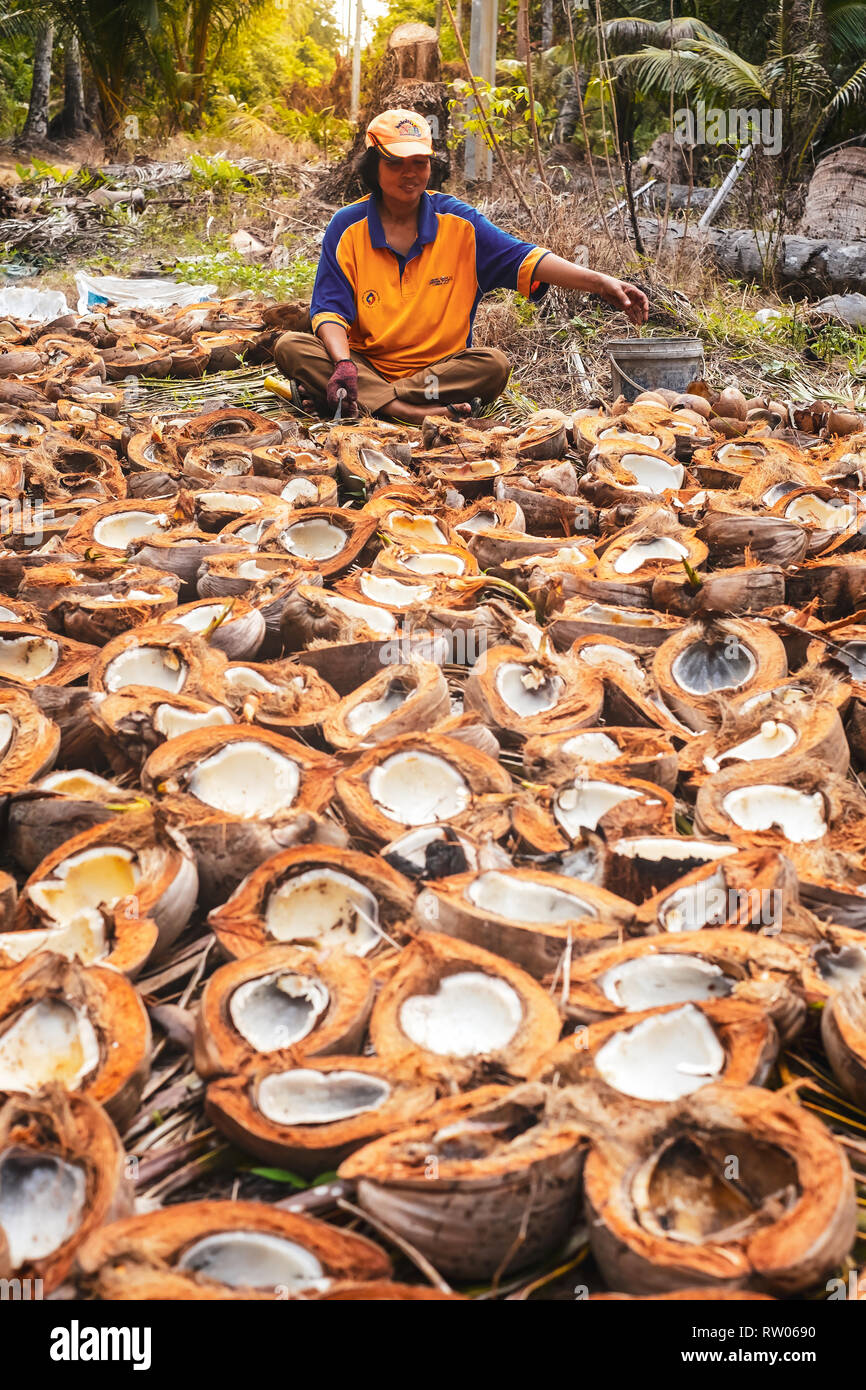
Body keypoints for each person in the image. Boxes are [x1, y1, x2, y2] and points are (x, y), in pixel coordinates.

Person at [275, 108, 649, 425]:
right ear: (374, 166)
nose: (410, 173)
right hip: (364, 365)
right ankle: (407, 411)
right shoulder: (347, 226)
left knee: (494, 365)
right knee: (292, 345)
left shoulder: (459, 221)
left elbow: (527, 258)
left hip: (439, 374)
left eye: (419, 162)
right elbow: (329, 310)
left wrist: (600, 282)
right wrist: (342, 364)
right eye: (396, 163)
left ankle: (362, 401)